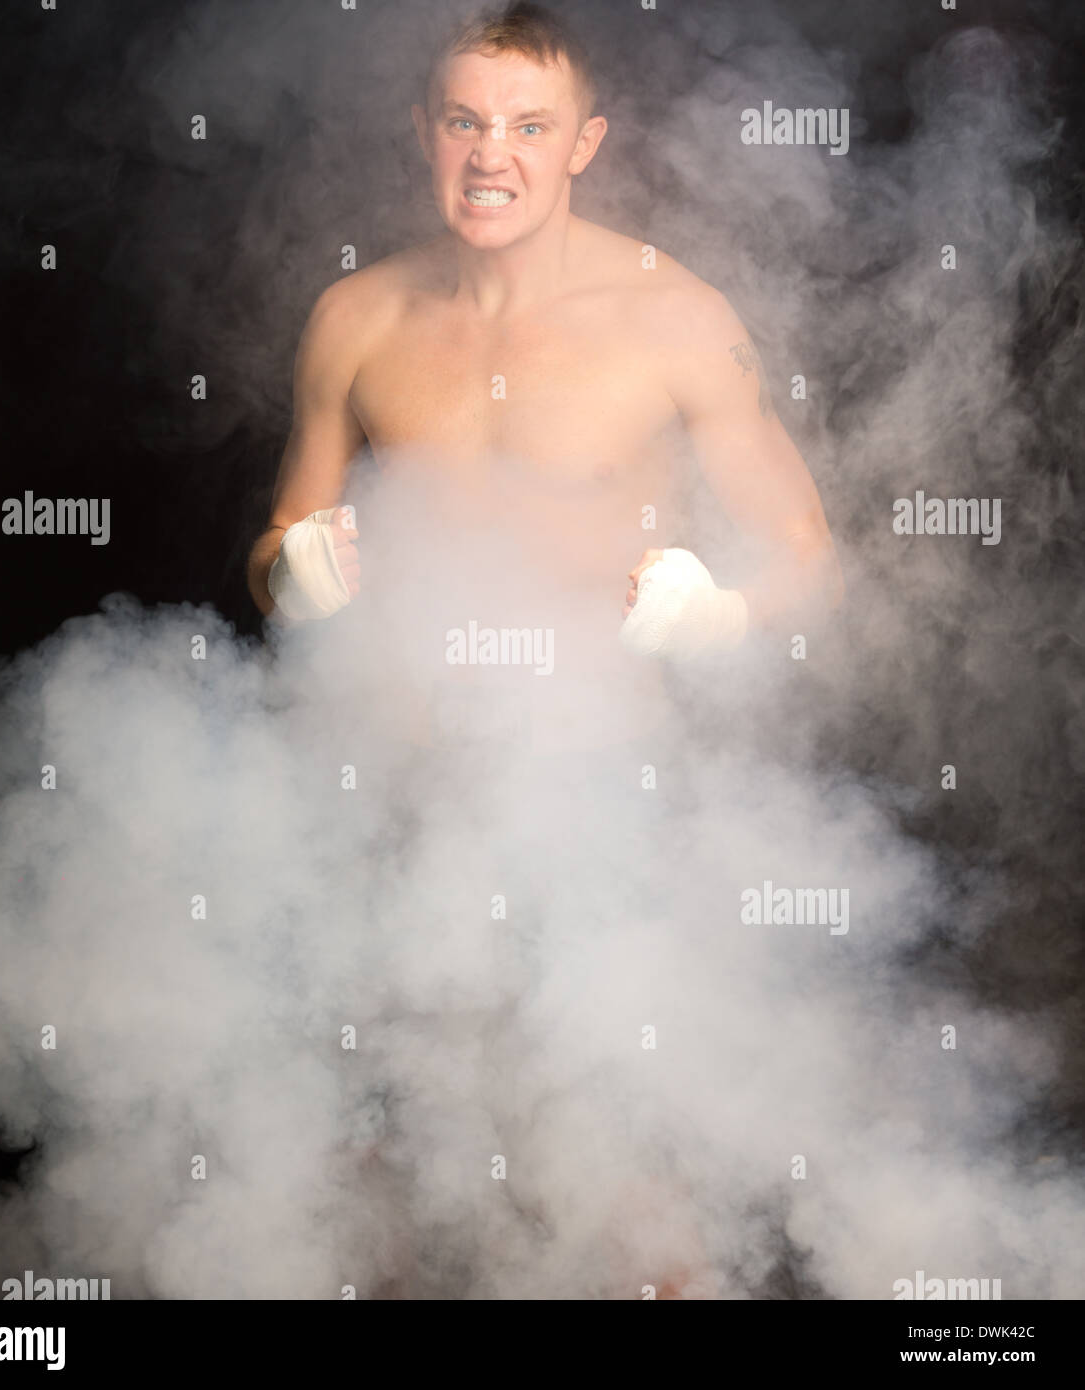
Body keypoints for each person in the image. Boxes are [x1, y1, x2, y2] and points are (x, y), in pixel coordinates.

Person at [246, 0, 844, 1297]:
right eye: (464, 120)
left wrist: (721, 611)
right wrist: (289, 570)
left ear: (585, 143)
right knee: (380, 1183)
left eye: (529, 125)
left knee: (625, 1195)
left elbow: (809, 551)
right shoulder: (355, 314)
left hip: (596, 807)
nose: (490, 154)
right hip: (389, 797)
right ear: (424, 131)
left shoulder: (678, 318)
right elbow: (288, 523)